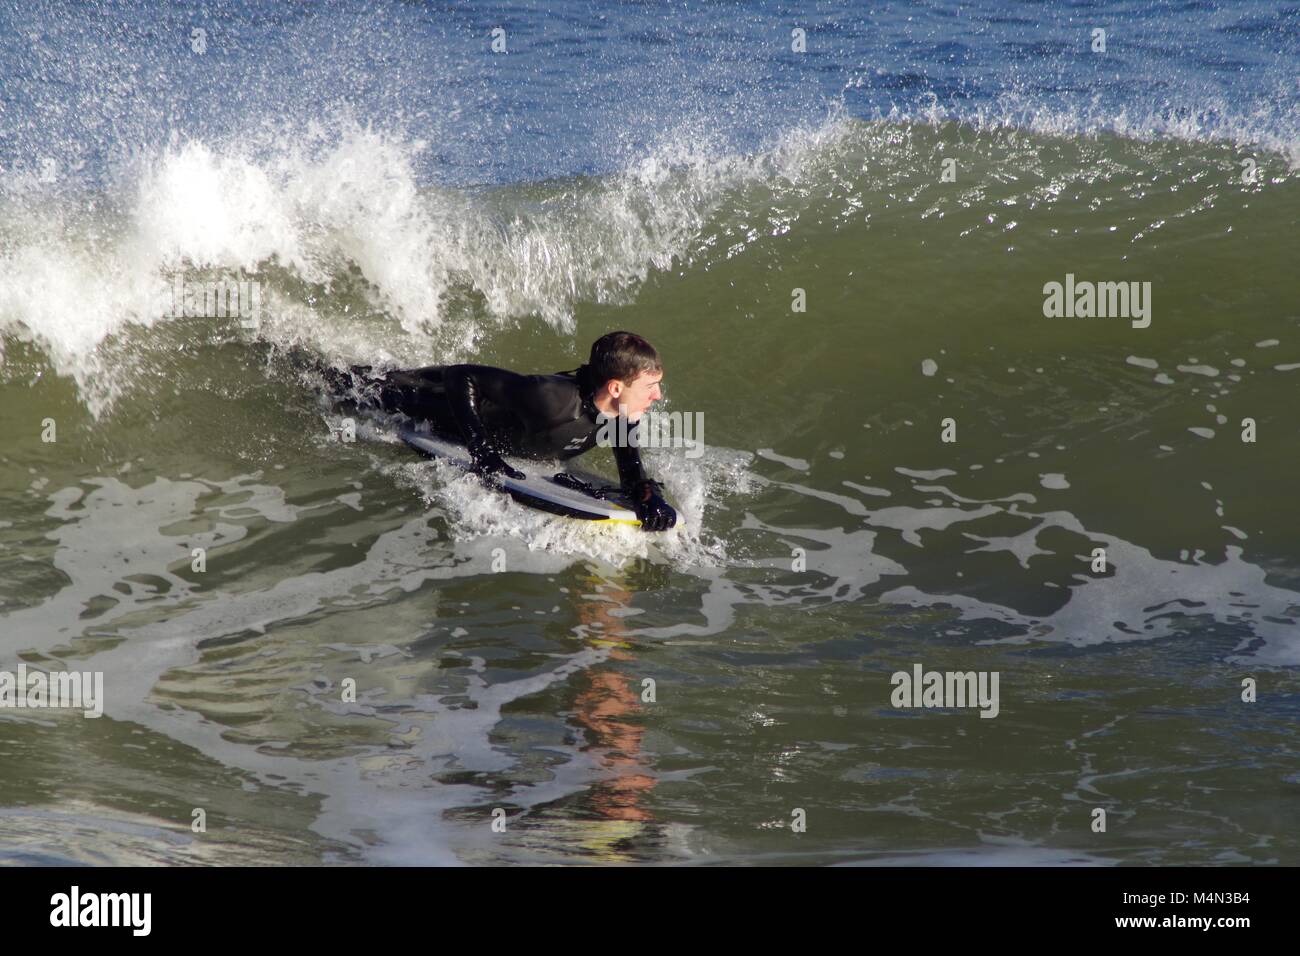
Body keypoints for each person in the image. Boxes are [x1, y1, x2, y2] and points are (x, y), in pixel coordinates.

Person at [323, 331, 678, 531]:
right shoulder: (551, 398)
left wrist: (649, 498)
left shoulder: (622, 415)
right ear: (615, 387)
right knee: (335, 384)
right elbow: (459, 376)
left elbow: (632, 474)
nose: (657, 395)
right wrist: (483, 452)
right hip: (415, 400)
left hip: (465, 418)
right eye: (650, 386)